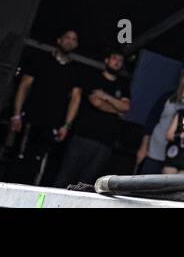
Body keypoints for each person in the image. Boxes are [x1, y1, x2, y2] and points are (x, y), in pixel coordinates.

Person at [9, 30, 83, 184]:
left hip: (53, 124)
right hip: (31, 118)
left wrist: (67, 125)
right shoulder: (40, 59)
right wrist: (16, 114)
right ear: (59, 40)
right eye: (67, 37)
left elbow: (76, 98)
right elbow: (24, 86)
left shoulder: (75, 70)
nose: (70, 41)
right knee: (20, 159)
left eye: (73, 39)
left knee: (41, 165)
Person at [56, 50, 130, 188]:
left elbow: (125, 107)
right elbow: (97, 103)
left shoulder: (123, 85)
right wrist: (116, 109)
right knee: (65, 177)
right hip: (83, 136)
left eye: (120, 60)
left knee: (87, 184)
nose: (117, 62)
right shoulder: (94, 78)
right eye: (114, 58)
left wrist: (106, 96)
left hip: (105, 143)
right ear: (107, 60)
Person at [136, 68, 184, 175]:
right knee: (145, 182)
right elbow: (151, 121)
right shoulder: (168, 98)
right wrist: (144, 147)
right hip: (156, 149)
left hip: (175, 154)